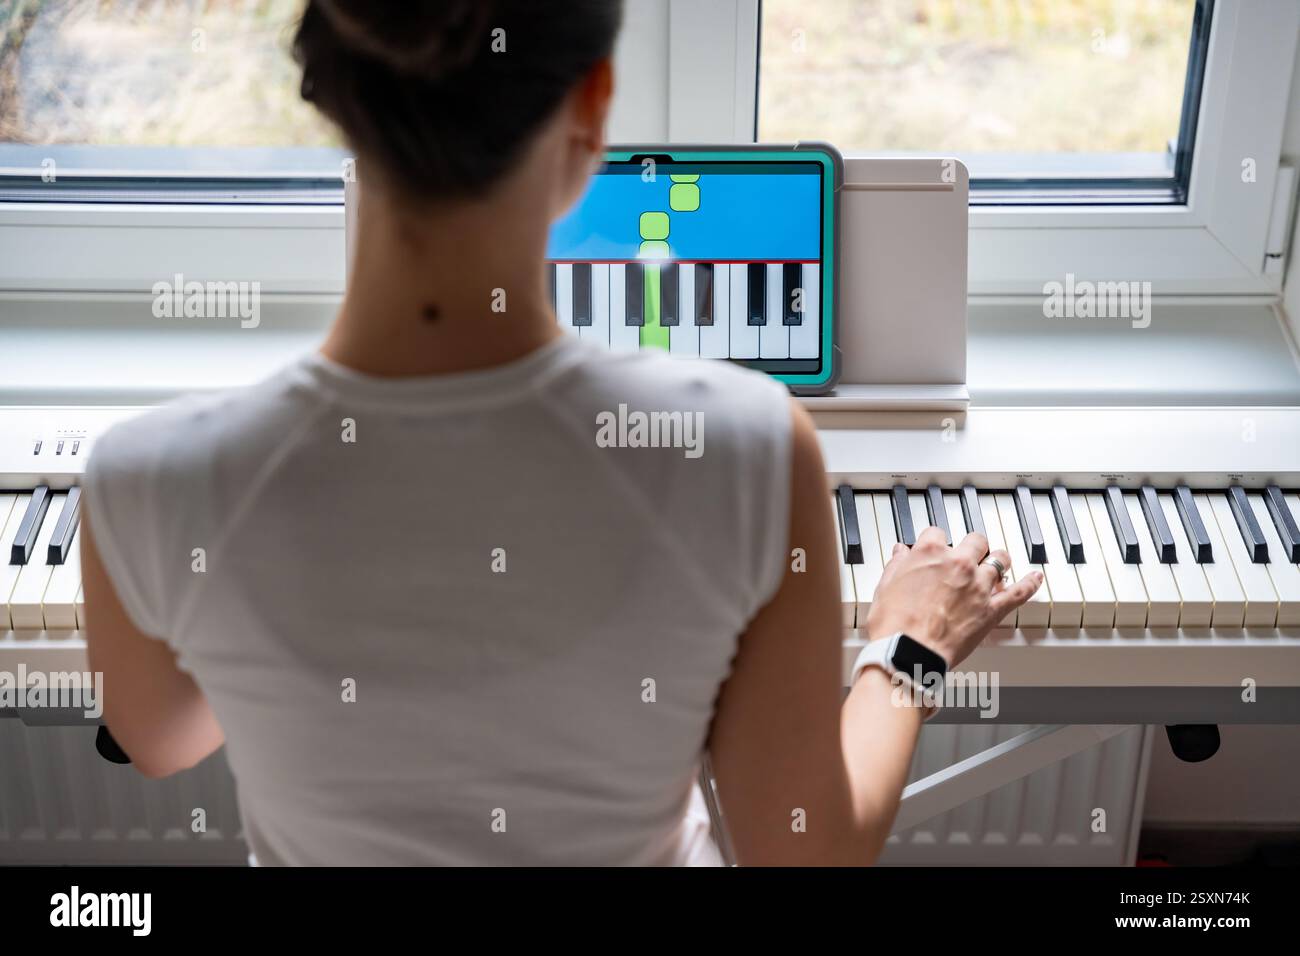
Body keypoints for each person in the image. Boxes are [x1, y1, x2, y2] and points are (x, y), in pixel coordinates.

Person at [80, 0, 1041, 865]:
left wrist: (285, 632)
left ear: (330, 91)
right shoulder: (747, 448)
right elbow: (806, 856)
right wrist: (909, 650)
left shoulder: (146, 475)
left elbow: (156, 740)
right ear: (594, 101)